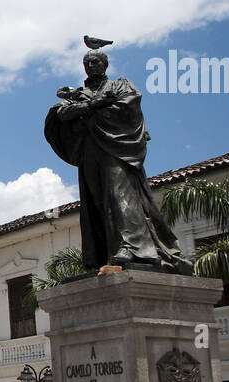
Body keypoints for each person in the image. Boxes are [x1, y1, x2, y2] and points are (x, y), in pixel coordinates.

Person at [43, 46, 192, 273]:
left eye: (95, 62)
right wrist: (93, 105)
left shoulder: (120, 85)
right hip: (90, 151)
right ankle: (106, 251)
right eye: (87, 63)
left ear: (105, 64)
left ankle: (131, 246)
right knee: (97, 203)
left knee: (119, 194)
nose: (91, 66)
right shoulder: (80, 93)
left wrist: (86, 110)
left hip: (116, 149)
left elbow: (127, 107)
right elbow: (61, 114)